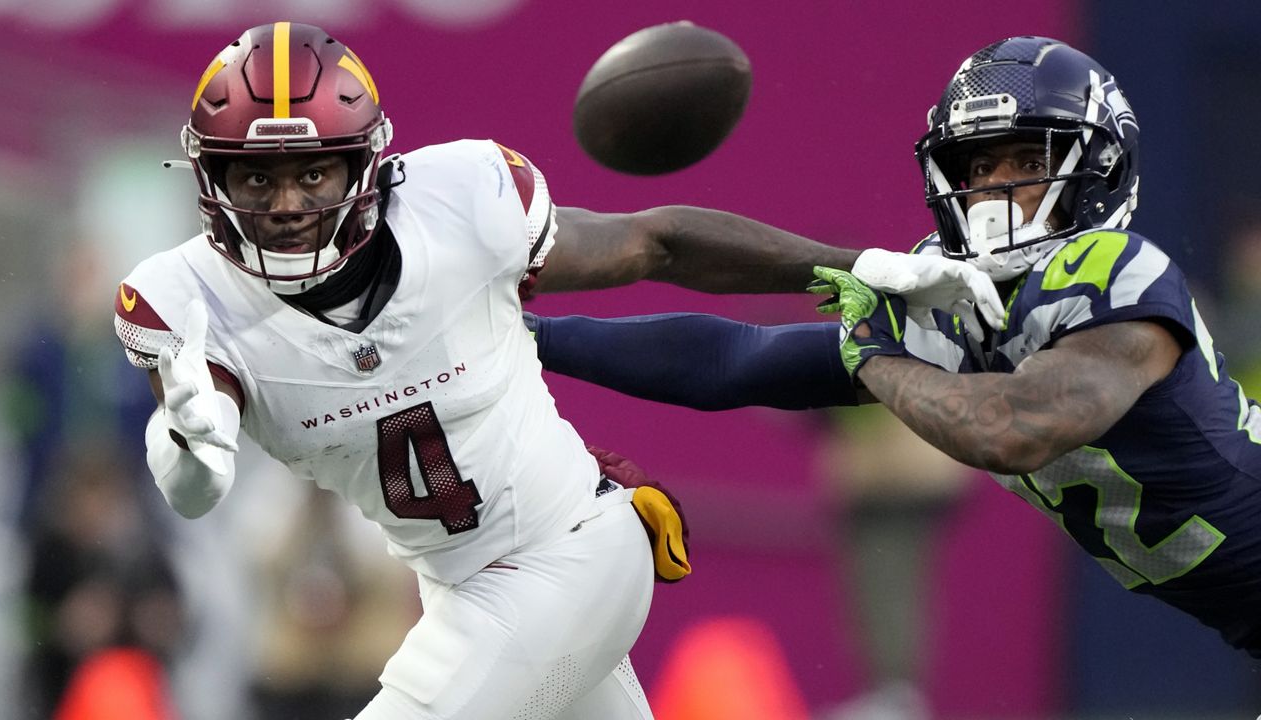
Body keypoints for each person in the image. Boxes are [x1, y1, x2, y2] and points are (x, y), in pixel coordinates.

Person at [111, 22, 996, 720]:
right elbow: (195, 484)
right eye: (256, 180)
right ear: (210, 178)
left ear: (365, 166)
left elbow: (656, 241)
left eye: (311, 173)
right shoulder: (184, 301)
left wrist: (858, 267)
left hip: (572, 552)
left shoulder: (460, 204)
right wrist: (190, 447)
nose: (287, 207)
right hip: (459, 588)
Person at [525, 36, 1261, 659]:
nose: (994, 191)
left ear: (1095, 168)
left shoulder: (1116, 272)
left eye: (1023, 161)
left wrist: (874, 356)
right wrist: (531, 337)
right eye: (977, 168)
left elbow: (1015, 426)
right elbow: (735, 358)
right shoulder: (953, 298)